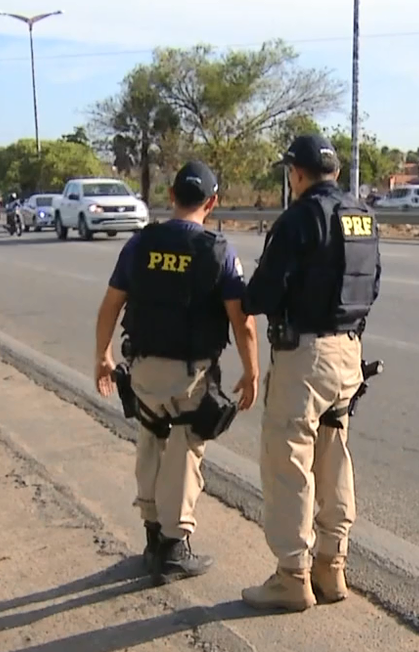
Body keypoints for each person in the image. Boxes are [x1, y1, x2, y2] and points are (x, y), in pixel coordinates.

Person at [93, 161, 259, 583]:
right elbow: (242, 320)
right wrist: (252, 369)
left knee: (151, 440)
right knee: (184, 449)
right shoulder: (219, 250)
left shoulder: (140, 245)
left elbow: (111, 304)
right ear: (213, 202)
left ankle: (152, 536)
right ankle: (173, 547)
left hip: (144, 368)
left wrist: (103, 356)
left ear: (171, 196)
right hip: (192, 374)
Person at [240, 135, 381, 611]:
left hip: (304, 357)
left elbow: (260, 296)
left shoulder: (299, 218)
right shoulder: (361, 215)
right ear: (336, 173)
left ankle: (292, 577)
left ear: (296, 173)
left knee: (289, 462)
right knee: (334, 455)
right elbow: (372, 284)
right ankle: (332, 566)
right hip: (349, 351)